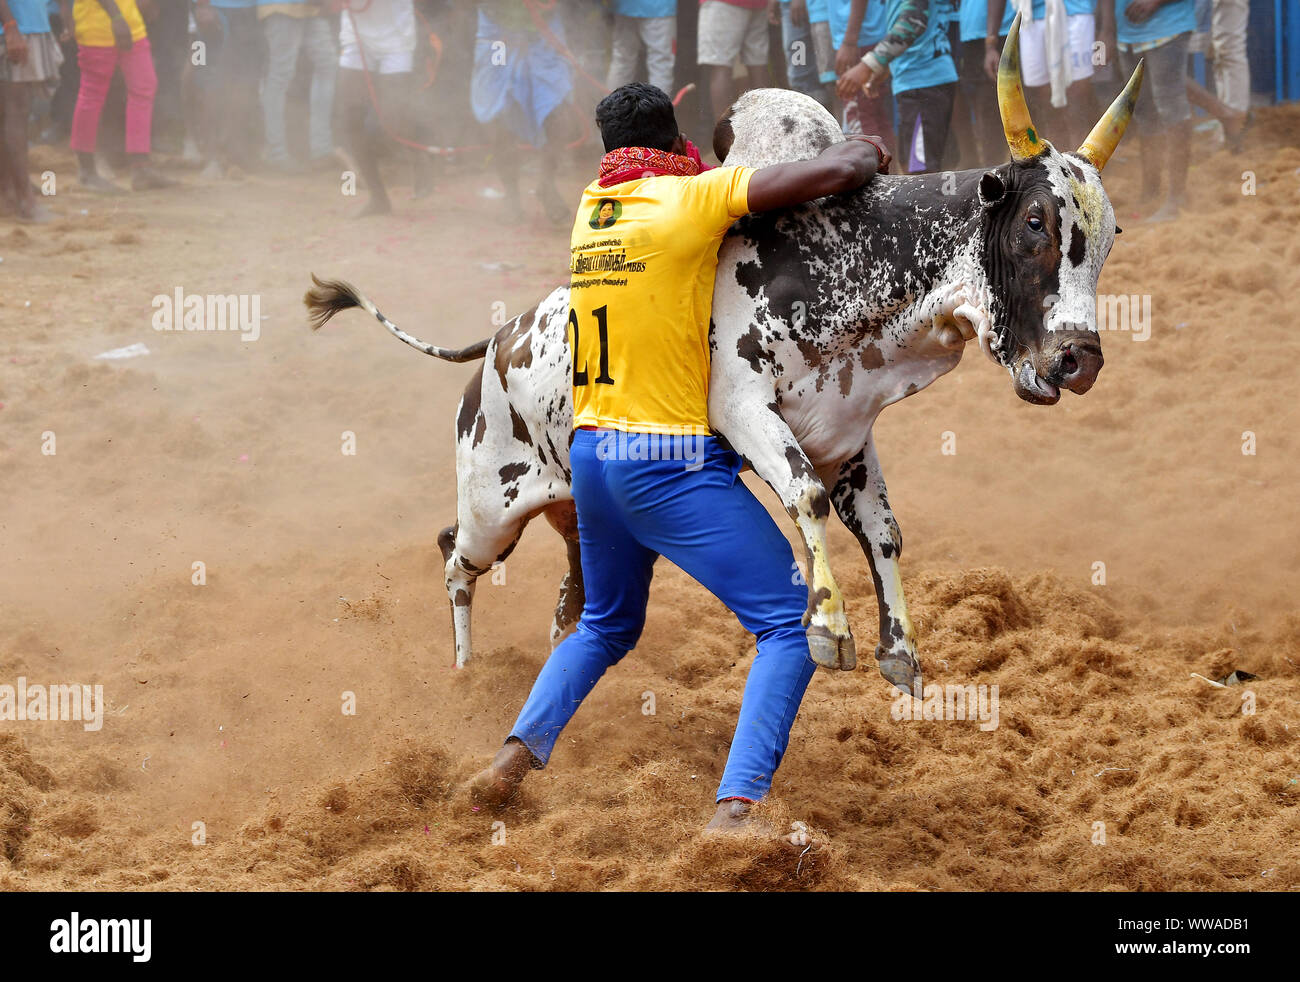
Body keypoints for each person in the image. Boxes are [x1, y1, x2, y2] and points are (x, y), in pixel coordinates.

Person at [468, 82, 891, 835]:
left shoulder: (590, 213)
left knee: (605, 623)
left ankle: (512, 759)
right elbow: (832, 175)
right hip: (667, 462)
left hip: (592, 459)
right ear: (672, 142)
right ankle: (736, 808)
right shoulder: (688, 200)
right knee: (789, 625)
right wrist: (869, 146)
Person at [471, 0, 571, 223]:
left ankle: (546, 184)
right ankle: (512, 197)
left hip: (543, 32)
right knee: (500, 113)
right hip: (499, 37)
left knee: (559, 114)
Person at [334, 0, 433, 215]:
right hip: (356, 35)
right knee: (351, 118)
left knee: (393, 120)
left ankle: (418, 155)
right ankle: (378, 198)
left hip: (396, 37)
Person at [64, 0, 175, 190]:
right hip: (99, 25)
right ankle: (86, 171)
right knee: (93, 93)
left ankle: (141, 168)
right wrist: (116, 16)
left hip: (129, 23)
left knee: (143, 86)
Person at [1099, 0, 1194, 222]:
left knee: (1171, 108)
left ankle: (1176, 198)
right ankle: (1151, 191)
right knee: (1144, 113)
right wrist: (1108, 30)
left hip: (1167, 28)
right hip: (1127, 35)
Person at [838, 0, 957, 173]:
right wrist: (884, 68)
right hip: (924, 79)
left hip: (922, 83)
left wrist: (868, 65)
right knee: (916, 164)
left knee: (921, 172)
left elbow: (913, 23)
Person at [986, 0, 1099, 151]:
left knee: (1078, 99)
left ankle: (1083, 163)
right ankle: (1058, 164)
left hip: (1076, 13)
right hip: (1030, 19)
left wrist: (1107, 29)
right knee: (1046, 104)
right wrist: (991, 44)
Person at [0, 0, 63, 220]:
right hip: (17, 30)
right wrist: (10, 27)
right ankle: (25, 200)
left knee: (9, 114)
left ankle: (8, 194)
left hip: (25, 27)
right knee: (16, 112)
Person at [258, 0, 337, 171]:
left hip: (309, 7)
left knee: (326, 65)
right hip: (281, 6)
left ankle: (321, 148)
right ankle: (276, 152)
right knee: (281, 74)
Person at [192, 0, 263, 177]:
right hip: (214, 12)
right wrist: (202, 5)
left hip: (248, 12)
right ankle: (211, 155)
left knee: (243, 83)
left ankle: (233, 153)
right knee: (207, 81)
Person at [829, 0, 894, 147]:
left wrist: (849, 42)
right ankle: (889, 169)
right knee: (877, 115)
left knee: (860, 116)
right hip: (863, 36)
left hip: (858, 39)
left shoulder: (852, 41)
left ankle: (877, 169)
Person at [697, 0, 772, 122]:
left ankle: (725, 137)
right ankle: (766, 128)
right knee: (758, 65)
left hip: (723, 4)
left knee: (720, 66)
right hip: (758, 4)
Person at [606, 0, 676, 96]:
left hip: (625, 6)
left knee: (622, 60)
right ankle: (658, 109)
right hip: (659, 7)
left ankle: (611, 108)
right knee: (660, 63)